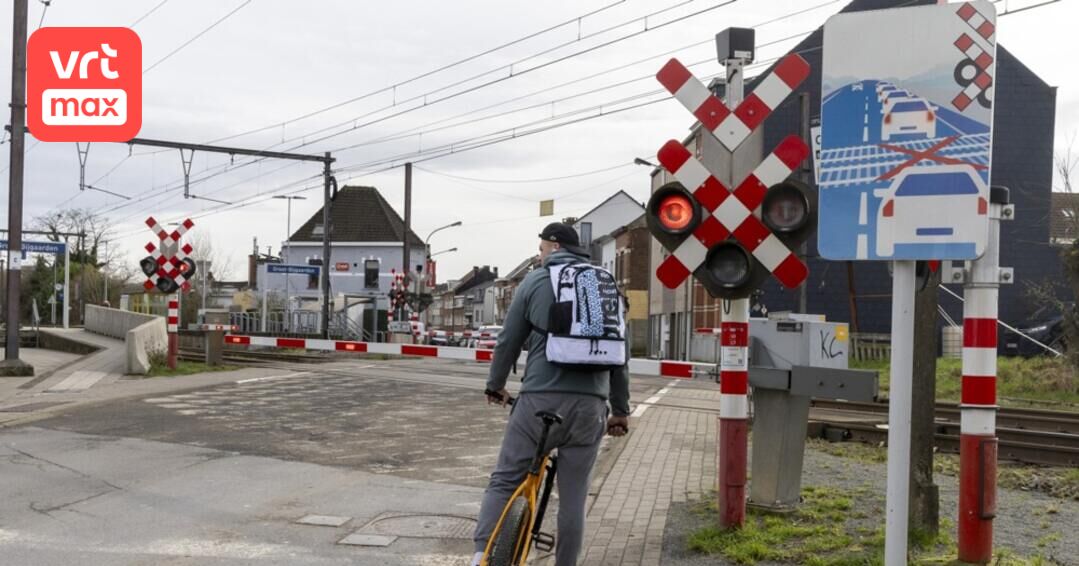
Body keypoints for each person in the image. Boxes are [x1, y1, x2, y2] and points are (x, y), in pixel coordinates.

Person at [471, 222, 631, 566]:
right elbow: (620, 354)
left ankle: (481, 556)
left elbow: (508, 340)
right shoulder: (606, 286)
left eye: (541, 248)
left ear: (555, 247)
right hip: (590, 408)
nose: (539, 255)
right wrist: (620, 410)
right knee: (573, 497)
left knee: (505, 480)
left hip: (538, 401)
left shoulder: (535, 281)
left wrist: (495, 384)